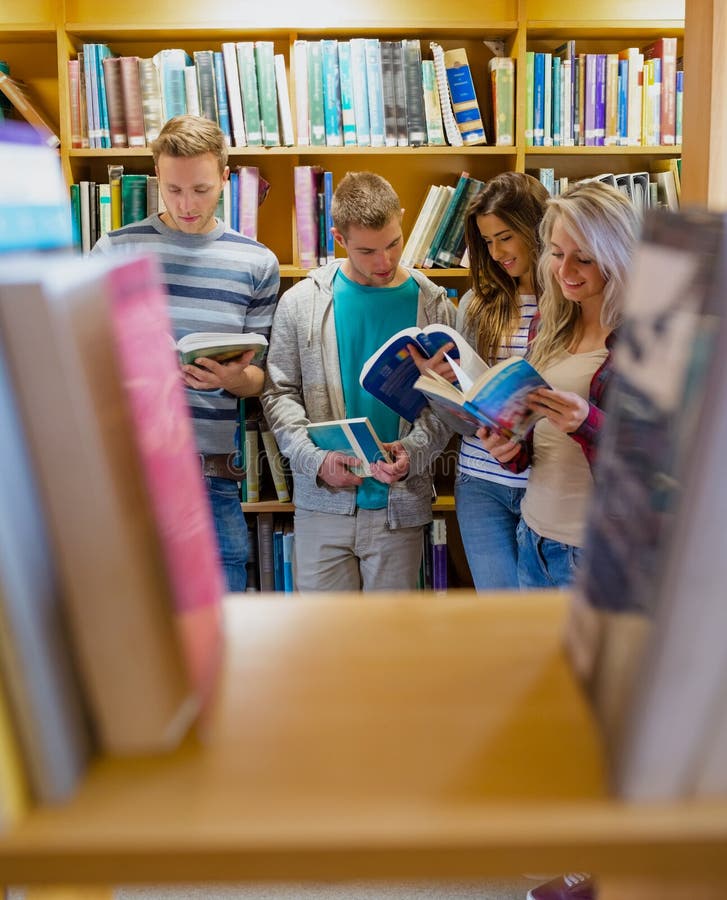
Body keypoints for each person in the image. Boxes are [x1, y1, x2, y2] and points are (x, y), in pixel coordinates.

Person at [92, 114, 280, 592]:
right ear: (158, 177)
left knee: (224, 628)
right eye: (173, 190)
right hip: (129, 472)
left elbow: (259, 378)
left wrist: (231, 379)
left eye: (200, 189)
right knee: (131, 630)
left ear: (224, 177)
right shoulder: (115, 250)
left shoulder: (256, 262)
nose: (186, 204)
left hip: (211, 475)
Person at [261, 171, 455, 591]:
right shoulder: (300, 304)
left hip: (399, 507)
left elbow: (447, 405)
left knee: (391, 649)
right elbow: (278, 393)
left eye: (394, 244)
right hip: (322, 507)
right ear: (339, 238)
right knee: (325, 647)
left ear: (402, 220)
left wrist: (414, 451)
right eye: (368, 251)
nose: (385, 262)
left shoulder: (434, 304)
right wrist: (316, 461)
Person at [480, 180, 640, 589]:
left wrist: (587, 421)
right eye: (555, 253)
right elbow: (541, 444)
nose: (564, 271)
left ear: (617, 256)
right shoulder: (548, 324)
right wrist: (510, 448)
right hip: (534, 538)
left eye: (583, 259)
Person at [411, 172, 549, 589]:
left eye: (505, 237)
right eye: (487, 241)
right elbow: (465, 419)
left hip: (543, 481)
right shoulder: (475, 304)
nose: (497, 252)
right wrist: (442, 390)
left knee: (540, 617)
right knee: (499, 613)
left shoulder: (568, 300)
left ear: (537, 228)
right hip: (481, 483)